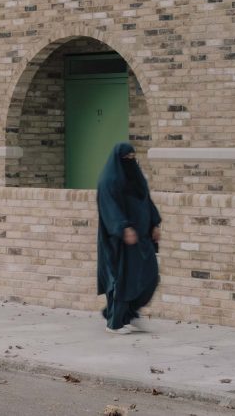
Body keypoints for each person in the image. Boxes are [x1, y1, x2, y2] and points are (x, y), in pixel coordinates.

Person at [96, 141, 161, 334]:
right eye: (127, 158)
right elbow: (109, 208)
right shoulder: (108, 181)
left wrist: (155, 223)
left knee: (150, 277)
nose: (130, 161)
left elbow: (146, 200)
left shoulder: (137, 178)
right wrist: (123, 228)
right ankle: (115, 323)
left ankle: (129, 314)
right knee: (125, 280)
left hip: (142, 238)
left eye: (133, 157)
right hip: (121, 241)